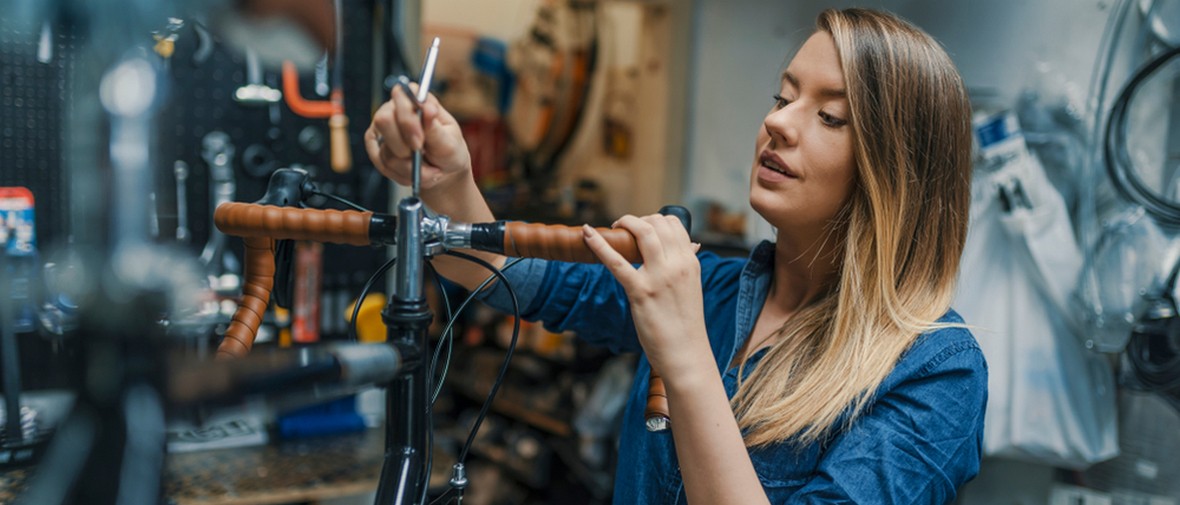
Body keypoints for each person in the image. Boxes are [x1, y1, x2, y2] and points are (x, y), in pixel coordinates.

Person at [366, 7, 985, 504]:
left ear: (898, 174)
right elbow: (506, 276)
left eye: (828, 115)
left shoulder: (936, 370)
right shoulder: (708, 289)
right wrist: (451, 180)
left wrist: (684, 355)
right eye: (781, 97)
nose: (780, 125)